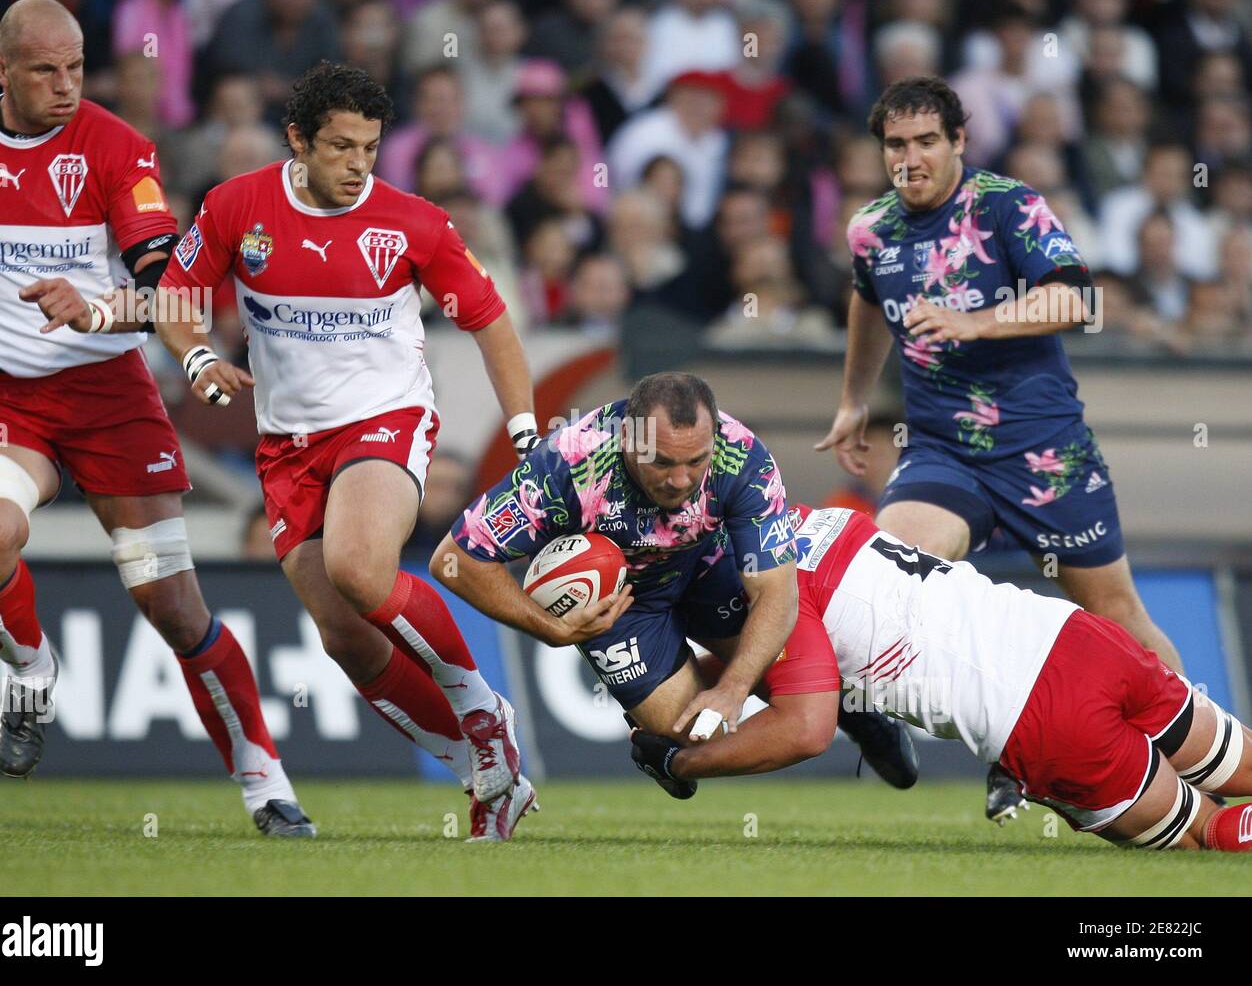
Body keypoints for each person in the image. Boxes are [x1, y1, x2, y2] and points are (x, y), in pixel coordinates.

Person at [141, 62, 538, 843]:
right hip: (288, 443)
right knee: (346, 636)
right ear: (298, 139)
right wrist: (193, 360)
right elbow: (174, 300)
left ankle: (481, 705)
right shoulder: (237, 206)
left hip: (383, 420)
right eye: (340, 148)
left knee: (361, 571)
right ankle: (483, 769)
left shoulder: (413, 222)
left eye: (370, 148)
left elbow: (490, 321)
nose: (358, 166)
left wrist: (524, 428)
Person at [0, 0, 314, 836]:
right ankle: (31, 670)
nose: (66, 86)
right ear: (0, 70)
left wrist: (94, 310)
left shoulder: (117, 149)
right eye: (45, 70)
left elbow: (173, 287)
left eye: (77, 67)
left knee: (175, 608)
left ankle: (266, 781)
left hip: (107, 394)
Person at [817, 75, 1186, 824]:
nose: (909, 157)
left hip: (1045, 454)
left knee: (1118, 614)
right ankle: (934, 732)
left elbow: (1074, 296)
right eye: (895, 143)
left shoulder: (1006, 206)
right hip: (944, 453)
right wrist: (856, 396)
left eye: (926, 141)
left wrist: (974, 321)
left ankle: (1192, 751)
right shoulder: (872, 230)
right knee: (890, 574)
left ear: (958, 141)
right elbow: (868, 300)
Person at [636, 504, 1252, 852]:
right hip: (1080, 638)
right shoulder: (821, 518)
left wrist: (679, 764)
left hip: (1041, 718)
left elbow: (803, 727)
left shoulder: (786, 602)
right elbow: (783, 649)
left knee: (1208, 836)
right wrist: (721, 680)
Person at [432, 372, 918, 794]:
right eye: (662, 462)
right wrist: (547, 627)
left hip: (712, 564)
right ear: (627, 437)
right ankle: (677, 727)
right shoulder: (567, 465)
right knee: (689, 732)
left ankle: (853, 712)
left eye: (695, 462)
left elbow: (775, 591)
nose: (681, 480)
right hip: (620, 602)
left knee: (797, 707)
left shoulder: (741, 455)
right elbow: (455, 560)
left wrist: (733, 688)